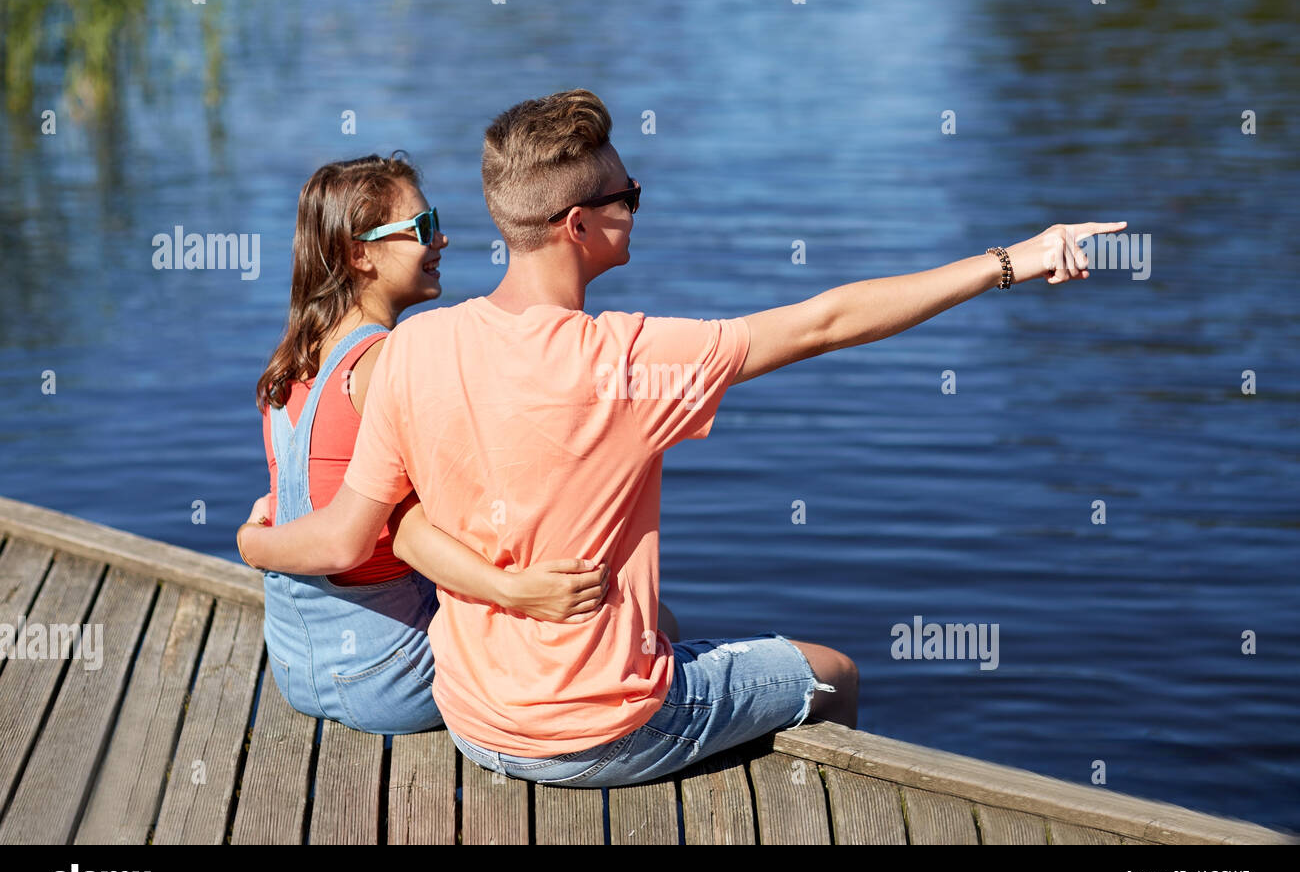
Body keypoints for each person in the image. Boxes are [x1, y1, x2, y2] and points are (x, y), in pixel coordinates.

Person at [239, 91, 1125, 785]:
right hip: (594, 734)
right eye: (627, 194)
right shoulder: (628, 360)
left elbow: (399, 523)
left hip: (472, 719)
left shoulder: (415, 348)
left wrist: (509, 584)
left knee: (660, 620)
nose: (637, 203)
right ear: (578, 226)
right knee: (834, 670)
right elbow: (824, 321)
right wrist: (1012, 260)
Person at [247, 152, 609, 735]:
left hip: (295, 665)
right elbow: (399, 534)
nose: (441, 237)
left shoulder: (292, 362)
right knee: (613, 619)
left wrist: (256, 536)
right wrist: (516, 592)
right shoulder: (388, 361)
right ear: (358, 253)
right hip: (390, 673)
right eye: (421, 228)